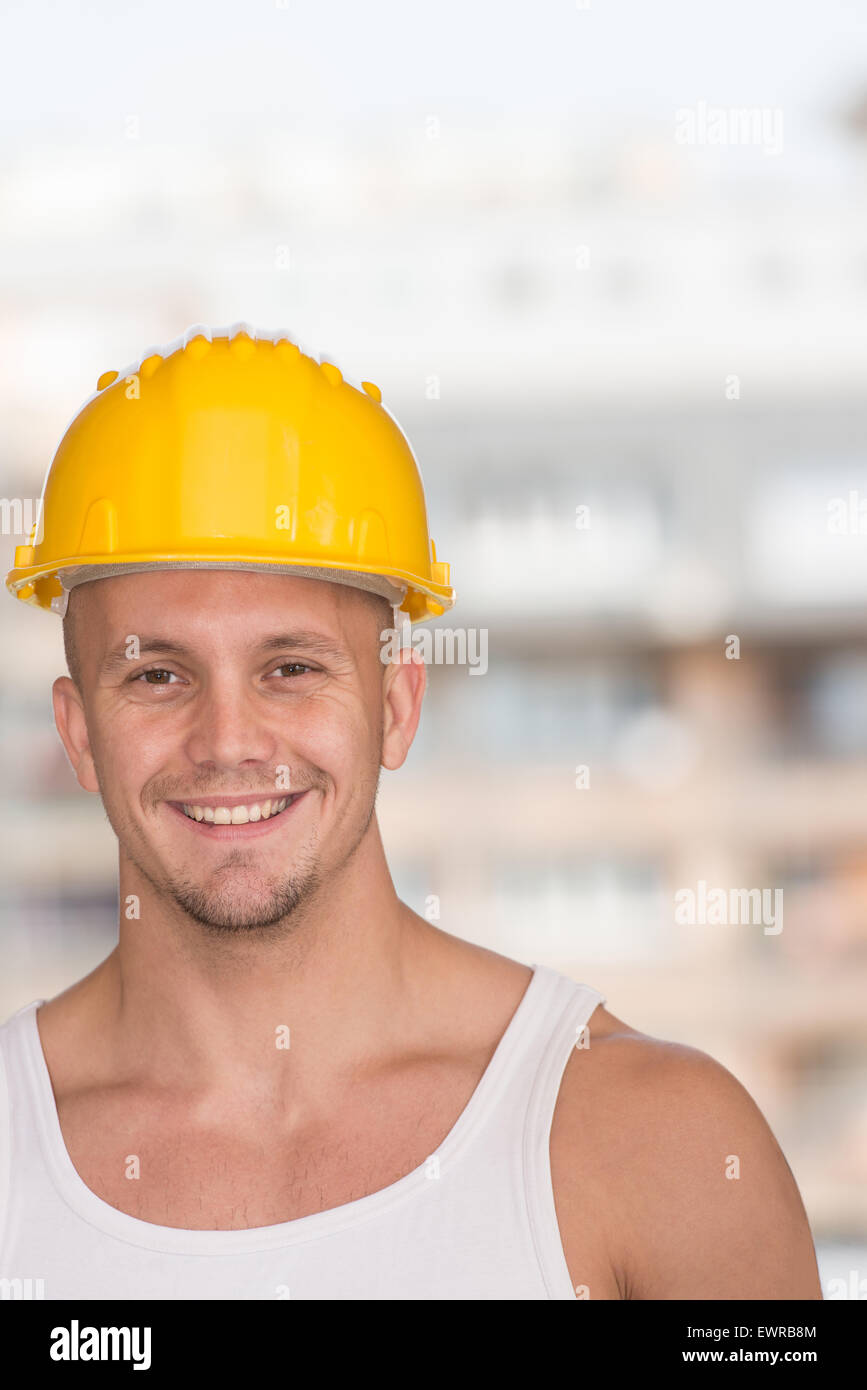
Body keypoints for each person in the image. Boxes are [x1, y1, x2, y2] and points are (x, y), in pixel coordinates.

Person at [0, 325, 821, 1299]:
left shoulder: (659, 1145)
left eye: (291, 668)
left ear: (396, 706)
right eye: (157, 673)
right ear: (80, 730)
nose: (227, 740)